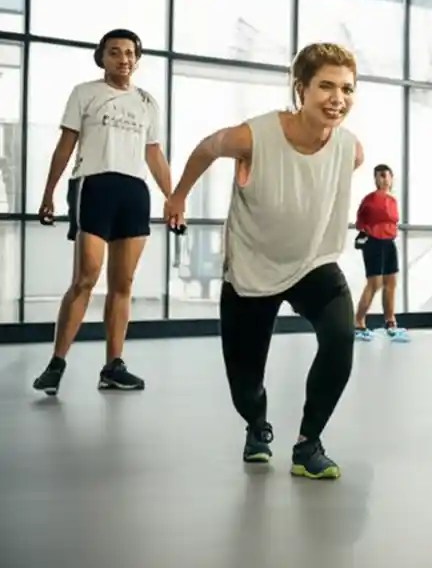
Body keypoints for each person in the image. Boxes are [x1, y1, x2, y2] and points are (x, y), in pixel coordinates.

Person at [164, 42, 364, 480]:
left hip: (313, 262)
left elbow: (319, 183)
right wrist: (178, 197)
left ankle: (308, 444)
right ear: (301, 89)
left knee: (340, 341)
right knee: (245, 380)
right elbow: (207, 148)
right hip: (252, 266)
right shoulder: (253, 137)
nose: (338, 98)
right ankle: (257, 426)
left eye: (347, 89)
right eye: (326, 86)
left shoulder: (351, 149)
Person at [32, 28, 171, 396]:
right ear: (102, 57)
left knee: (123, 284)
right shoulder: (85, 93)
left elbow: (154, 154)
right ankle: (56, 364)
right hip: (94, 186)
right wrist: (48, 192)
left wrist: (174, 198)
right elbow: (66, 145)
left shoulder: (147, 102)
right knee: (85, 278)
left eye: (130, 53)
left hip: (133, 191)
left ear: (136, 60)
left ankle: (113, 366)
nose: (124, 59)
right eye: (115, 52)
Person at [354, 163, 405, 342]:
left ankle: (390, 322)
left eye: (386, 175)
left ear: (391, 178)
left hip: (389, 242)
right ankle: (358, 322)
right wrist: (367, 232)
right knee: (374, 283)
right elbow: (360, 221)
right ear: (375, 179)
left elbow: (393, 221)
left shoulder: (393, 200)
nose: (383, 179)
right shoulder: (369, 199)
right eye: (380, 176)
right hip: (373, 242)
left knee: (391, 282)